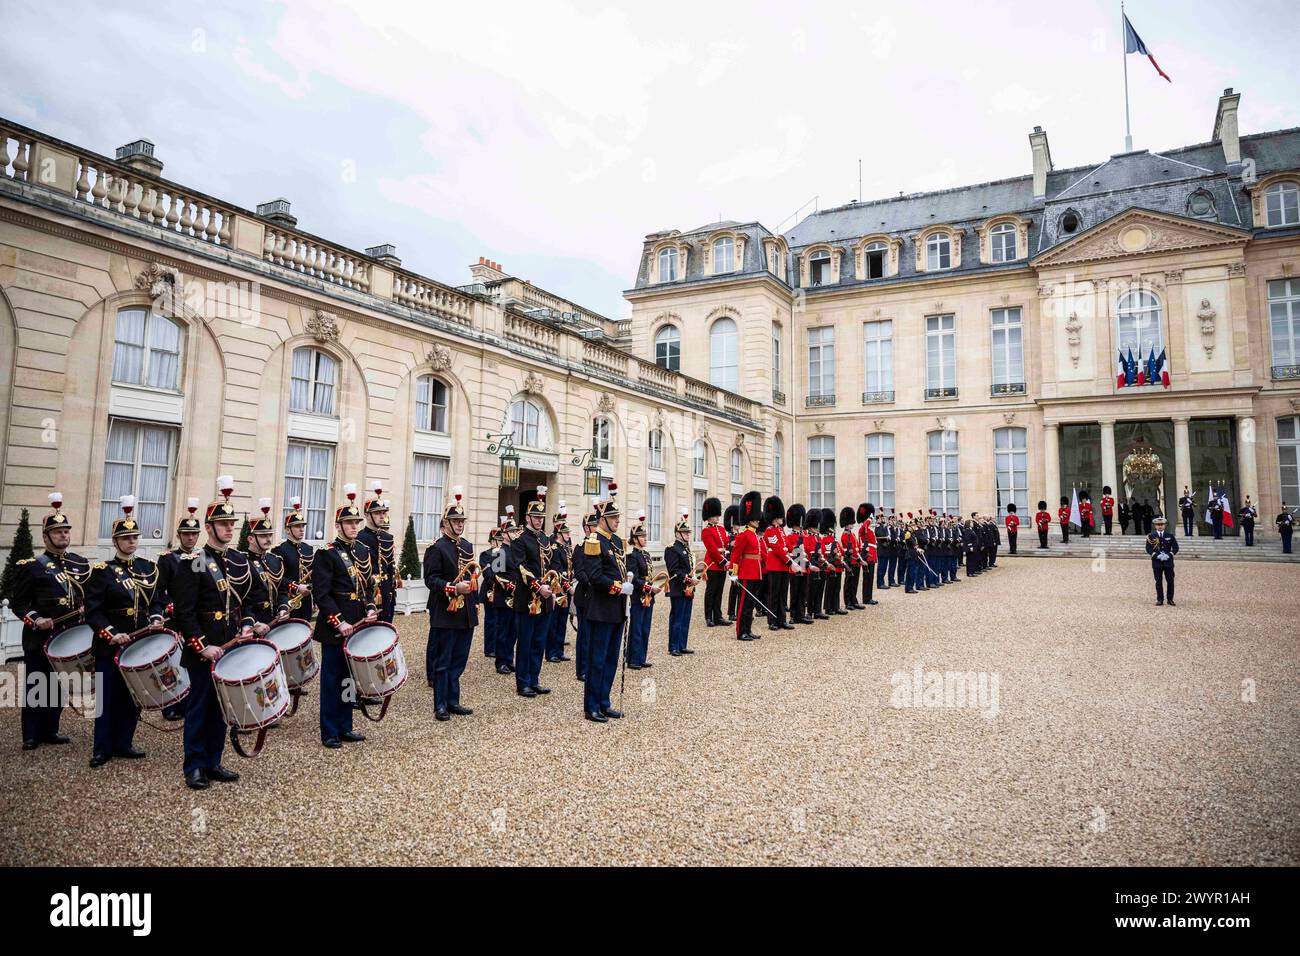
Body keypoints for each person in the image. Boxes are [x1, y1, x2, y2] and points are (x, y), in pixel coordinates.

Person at [171, 477, 269, 788]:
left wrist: (249, 623)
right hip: (206, 649)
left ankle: (214, 761)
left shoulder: (239, 559)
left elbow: (253, 598)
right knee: (200, 708)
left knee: (221, 708)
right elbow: (184, 613)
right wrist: (201, 646)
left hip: (232, 645)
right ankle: (194, 766)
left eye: (231, 524)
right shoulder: (194, 562)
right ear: (209, 527)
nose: (229, 529)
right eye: (222, 524)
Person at [84, 495, 164, 767]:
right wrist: (110, 632)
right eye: (126, 538)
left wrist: (155, 616)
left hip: (139, 641)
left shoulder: (147, 568)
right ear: (115, 541)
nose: (132, 542)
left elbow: (157, 599)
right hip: (111, 643)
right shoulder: (102, 571)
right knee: (108, 698)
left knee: (134, 695)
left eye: (135, 537)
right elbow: (93, 610)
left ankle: (124, 743)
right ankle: (102, 748)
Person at [11, 492, 89, 752]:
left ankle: (51, 729)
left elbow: (86, 594)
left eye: (66, 531)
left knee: (58, 685)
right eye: (57, 533)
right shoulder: (31, 566)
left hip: (67, 635)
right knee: (37, 683)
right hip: (39, 636)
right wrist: (35, 619)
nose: (63, 536)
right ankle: (31, 734)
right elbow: (18, 603)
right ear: (45, 537)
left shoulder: (80, 563)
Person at [310, 483, 378, 750]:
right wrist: (339, 620)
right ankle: (329, 731)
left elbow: (367, 586)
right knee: (331, 679)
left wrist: (370, 607)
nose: (353, 526)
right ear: (338, 525)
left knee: (350, 678)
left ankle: (346, 725)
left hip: (358, 625)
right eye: (348, 523)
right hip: (336, 627)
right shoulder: (326, 553)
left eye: (356, 522)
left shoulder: (362, 551)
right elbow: (322, 594)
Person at [423, 486, 477, 721]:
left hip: (465, 613)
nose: (459, 524)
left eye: (461, 520)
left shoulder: (467, 546)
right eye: (455, 520)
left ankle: (453, 700)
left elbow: (471, 574)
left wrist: (474, 601)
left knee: (459, 659)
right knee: (443, 661)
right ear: (445, 522)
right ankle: (441, 704)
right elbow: (431, 579)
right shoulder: (437, 548)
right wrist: (453, 588)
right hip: (446, 611)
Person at [581, 483, 630, 723]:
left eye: (618, 516)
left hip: (617, 609)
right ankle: (591, 706)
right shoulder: (594, 540)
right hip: (601, 608)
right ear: (602, 519)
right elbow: (594, 576)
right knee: (597, 659)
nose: (617, 521)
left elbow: (622, 570)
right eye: (613, 517)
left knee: (611, 658)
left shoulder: (617, 542)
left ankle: (604, 701)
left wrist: (627, 585)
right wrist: (620, 587)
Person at [155, 497, 203, 721]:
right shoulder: (167, 559)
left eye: (194, 534)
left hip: (193, 619)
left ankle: (189, 702)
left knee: (190, 664)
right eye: (186, 534)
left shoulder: (200, 558)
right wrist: (170, 606)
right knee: (173, 664)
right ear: (179, 535)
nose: (191, 538)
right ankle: (170, 706)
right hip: (174, 619)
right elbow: (159, 590)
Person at [508, 486, 554, 699]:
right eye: (535, 517)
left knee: (539, 642)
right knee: (525, 642)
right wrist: (538, 587)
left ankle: (534, 680)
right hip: (527, 599)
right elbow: (521, 567)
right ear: (527, 517)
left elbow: (551, 565)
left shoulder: (545, 539)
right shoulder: (519, 539)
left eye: (541, 517)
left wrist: (553, 586)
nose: (539, 520)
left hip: (545, 600)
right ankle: (523, 683)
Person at [244, 498, 291, 628]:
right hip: (252, 625)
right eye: (263, 536)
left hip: (274, 622)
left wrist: (283, 607)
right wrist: (252, 623)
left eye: (270, 535)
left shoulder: (275, 560)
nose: (268, 539)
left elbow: (281, 590)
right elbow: (240, 601)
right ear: (251, 539)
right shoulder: (242, 562)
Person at [357, 487, 397, 622]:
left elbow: (390, 567)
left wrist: (391, 592)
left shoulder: (388, 537)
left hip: (386, 593)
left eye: (383, 513)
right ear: (367, 515)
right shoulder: (359, 538)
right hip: (368, 593)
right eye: (377, 513)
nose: (382, 516)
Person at [728, 491, 764, 641]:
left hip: (755, 572)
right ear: (749, 519)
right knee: (743, 604)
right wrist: (733, 573)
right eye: (755, 519)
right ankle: (740, 631)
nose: (757, 521)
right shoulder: (743, 535)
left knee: (751, 603)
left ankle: (748, 629)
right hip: (746, 573)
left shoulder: (754, 535)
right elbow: (735, 555)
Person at [273, 496, 315, 621]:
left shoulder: (308, 548)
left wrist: (315, 599)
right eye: (297, 526)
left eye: (303, 526)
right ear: (287, 530)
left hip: (306, 600)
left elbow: (313, 574)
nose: (301, 529)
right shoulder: (280, 550)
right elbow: (278, 578)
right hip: (288, 600)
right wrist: (295, 586)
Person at [664, 511, 697, 653]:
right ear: (678, 533)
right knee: (677, 617)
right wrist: (688, 579)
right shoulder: (672, 548)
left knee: (685, 617)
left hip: (688, 587)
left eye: (688, 532)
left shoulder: (686, 548)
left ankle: (682, 645)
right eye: (685, 532)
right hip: (678, 587)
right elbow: (674, 571)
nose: (688, 534)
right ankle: (673, 646)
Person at [625, 513, 656, 668]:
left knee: (645, 628)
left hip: (649, 595)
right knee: (636, 627)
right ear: (635, 538)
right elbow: (634, 578)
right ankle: (633, 659)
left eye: (645, 535)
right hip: (639, 595)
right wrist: (648, 587)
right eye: (641, 536)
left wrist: (652, 588)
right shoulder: (632, 556)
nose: (645, 538)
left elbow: (649, 574)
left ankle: (641, 657)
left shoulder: (647, 554)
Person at [544, 502, 573, 663]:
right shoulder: (554, 548)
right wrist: (568, 585)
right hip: (557, 589)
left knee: (562, 621)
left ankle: (559, 649)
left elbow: (569, 567)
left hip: (566, 588)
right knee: (553, 621)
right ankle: (551, 652)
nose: (568, 535)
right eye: (565, 532)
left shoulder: (565, 548)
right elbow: (556, 569)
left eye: (568, 532)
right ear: (559, 533)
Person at [494, 511, 521, 675]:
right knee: (503, 631)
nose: (514, 533)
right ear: (504, 534)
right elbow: (496, 576)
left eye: (514, 531)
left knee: (513, 631)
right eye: (511, 531)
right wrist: (511, 586)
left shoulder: (516, 550)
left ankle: (509, 659)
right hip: (504, 597)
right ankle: (500, 661)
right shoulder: (500, 551)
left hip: (516, 597)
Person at [763, 495, 792, 628]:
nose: (782, 518)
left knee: (782, 594)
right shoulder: (769, 532)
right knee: (773, 595)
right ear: (775, 517)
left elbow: (787, 546)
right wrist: (790, 561)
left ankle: (782, 620)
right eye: (780, 516)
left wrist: (796, 556)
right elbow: (777, 549)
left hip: (784, 566)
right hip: (775, 566)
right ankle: (772, 620)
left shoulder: (781, 531)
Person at [700, 497, 728, 627]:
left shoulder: (721, 529)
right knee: (711, 591)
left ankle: (718, 616)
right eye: (715, 515)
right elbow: (712, 549)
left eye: (717, 515)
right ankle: (708, 617)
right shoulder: (706, 531)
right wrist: (723, 560)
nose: (717, 517)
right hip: (712, 565)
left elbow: (725, 545)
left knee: (719, 591)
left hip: (722, 565)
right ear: (709, 516)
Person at [477, 525, 503, 660]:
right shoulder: (486, 555)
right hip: (490, 590)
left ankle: (499, 647)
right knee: (491, 621)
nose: (499, 542)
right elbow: (488, 574)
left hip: (502, 591)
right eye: (497, 540)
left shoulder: (502, 554)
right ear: (492, 541)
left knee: (501, 621)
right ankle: (489, 648)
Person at [1145, 515, 1180, 607]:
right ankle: (1160, 599)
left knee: (1170, 581)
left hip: (1168, 562)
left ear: (1165, 525)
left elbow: (1176, 547)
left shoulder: (1170, 536)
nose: (1160, 526)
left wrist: (1169, 555)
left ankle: (1170, 599)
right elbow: (1148, 548)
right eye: (1158, 524)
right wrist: (1157, 555)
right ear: (1155, 526)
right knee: (1158, 581)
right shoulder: (1151, 536)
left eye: (1162, 524)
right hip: (1157, 562)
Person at [785, 503, 808, 623]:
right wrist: (799, 549)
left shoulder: (805, 535)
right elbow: (790, 549)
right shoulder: (790, 537)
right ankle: (793, 615)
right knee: (794, 591)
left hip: (803, 564)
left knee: (803, 591)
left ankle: (801, 614)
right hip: (795, 565)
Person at [840, 506, 864, 610]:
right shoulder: (845, 535)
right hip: (851, 560)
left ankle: (853, 600)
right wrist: (859, 559)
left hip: (856, 561)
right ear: (846, 524)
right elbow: (852, 549)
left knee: (854, 582)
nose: (852, 525)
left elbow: (857, 547)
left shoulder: (852, 534)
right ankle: (848, 602)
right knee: (849, 582)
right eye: (851, 523)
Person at [723, 504, 741, 622]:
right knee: (734, 587)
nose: (739, 526)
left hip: (740, 564)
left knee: (739, 588)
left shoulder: (739, 535)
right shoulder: (730, 536)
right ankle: (731, 612)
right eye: (737, 523)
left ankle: (738, 611)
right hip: (733, 565)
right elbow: (728, 551)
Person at [858, 503, 879, 605]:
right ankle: (866, 598)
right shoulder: (863, 527)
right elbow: (865, 525)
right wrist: (869, 518)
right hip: (868, 555)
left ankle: (869, 597)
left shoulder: (869, 529)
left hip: (872, 554)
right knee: (867, 577)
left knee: (870, 578)